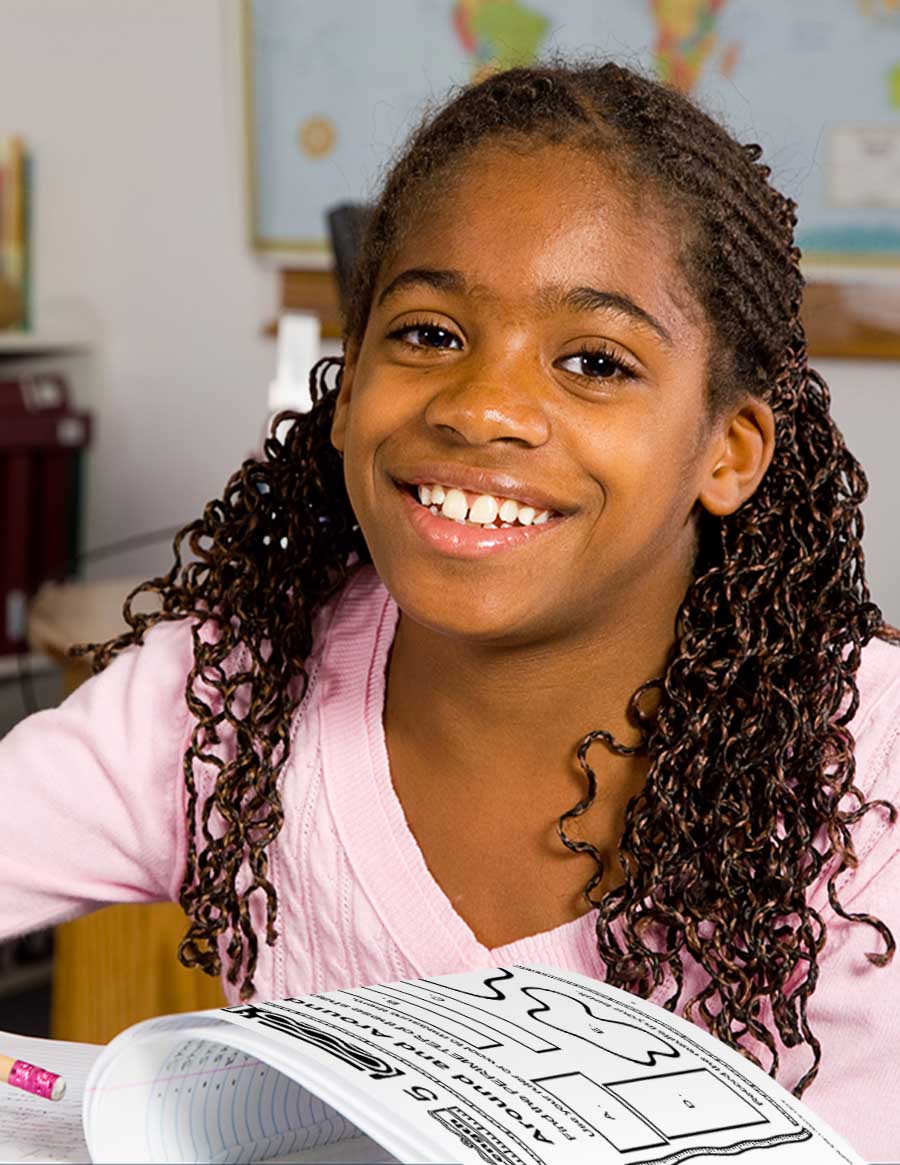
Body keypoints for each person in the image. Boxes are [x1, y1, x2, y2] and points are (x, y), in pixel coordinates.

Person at [3, 60, 899, 1158]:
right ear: (344, 395)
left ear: (729, 450)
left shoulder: (870, 778)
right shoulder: (226, 695)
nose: (482, 408)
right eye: (429, 333)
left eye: (593, 360)